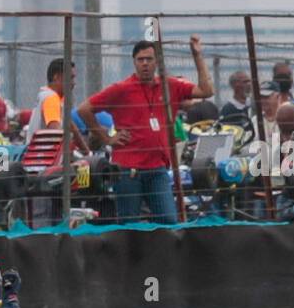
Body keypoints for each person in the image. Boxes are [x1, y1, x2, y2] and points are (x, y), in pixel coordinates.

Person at [77, 37, 213, 223]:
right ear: (134, 62)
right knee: (129, 227)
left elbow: (206, 91)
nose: (145, 64)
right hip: (127, 171)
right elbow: (84, 109)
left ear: (156, 62)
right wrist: (107, 138)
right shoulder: (121, 89)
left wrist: (197, 55)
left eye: (149, 59)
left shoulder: (170, 86)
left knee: (169, 223)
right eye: (140, 60)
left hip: (157, 169)